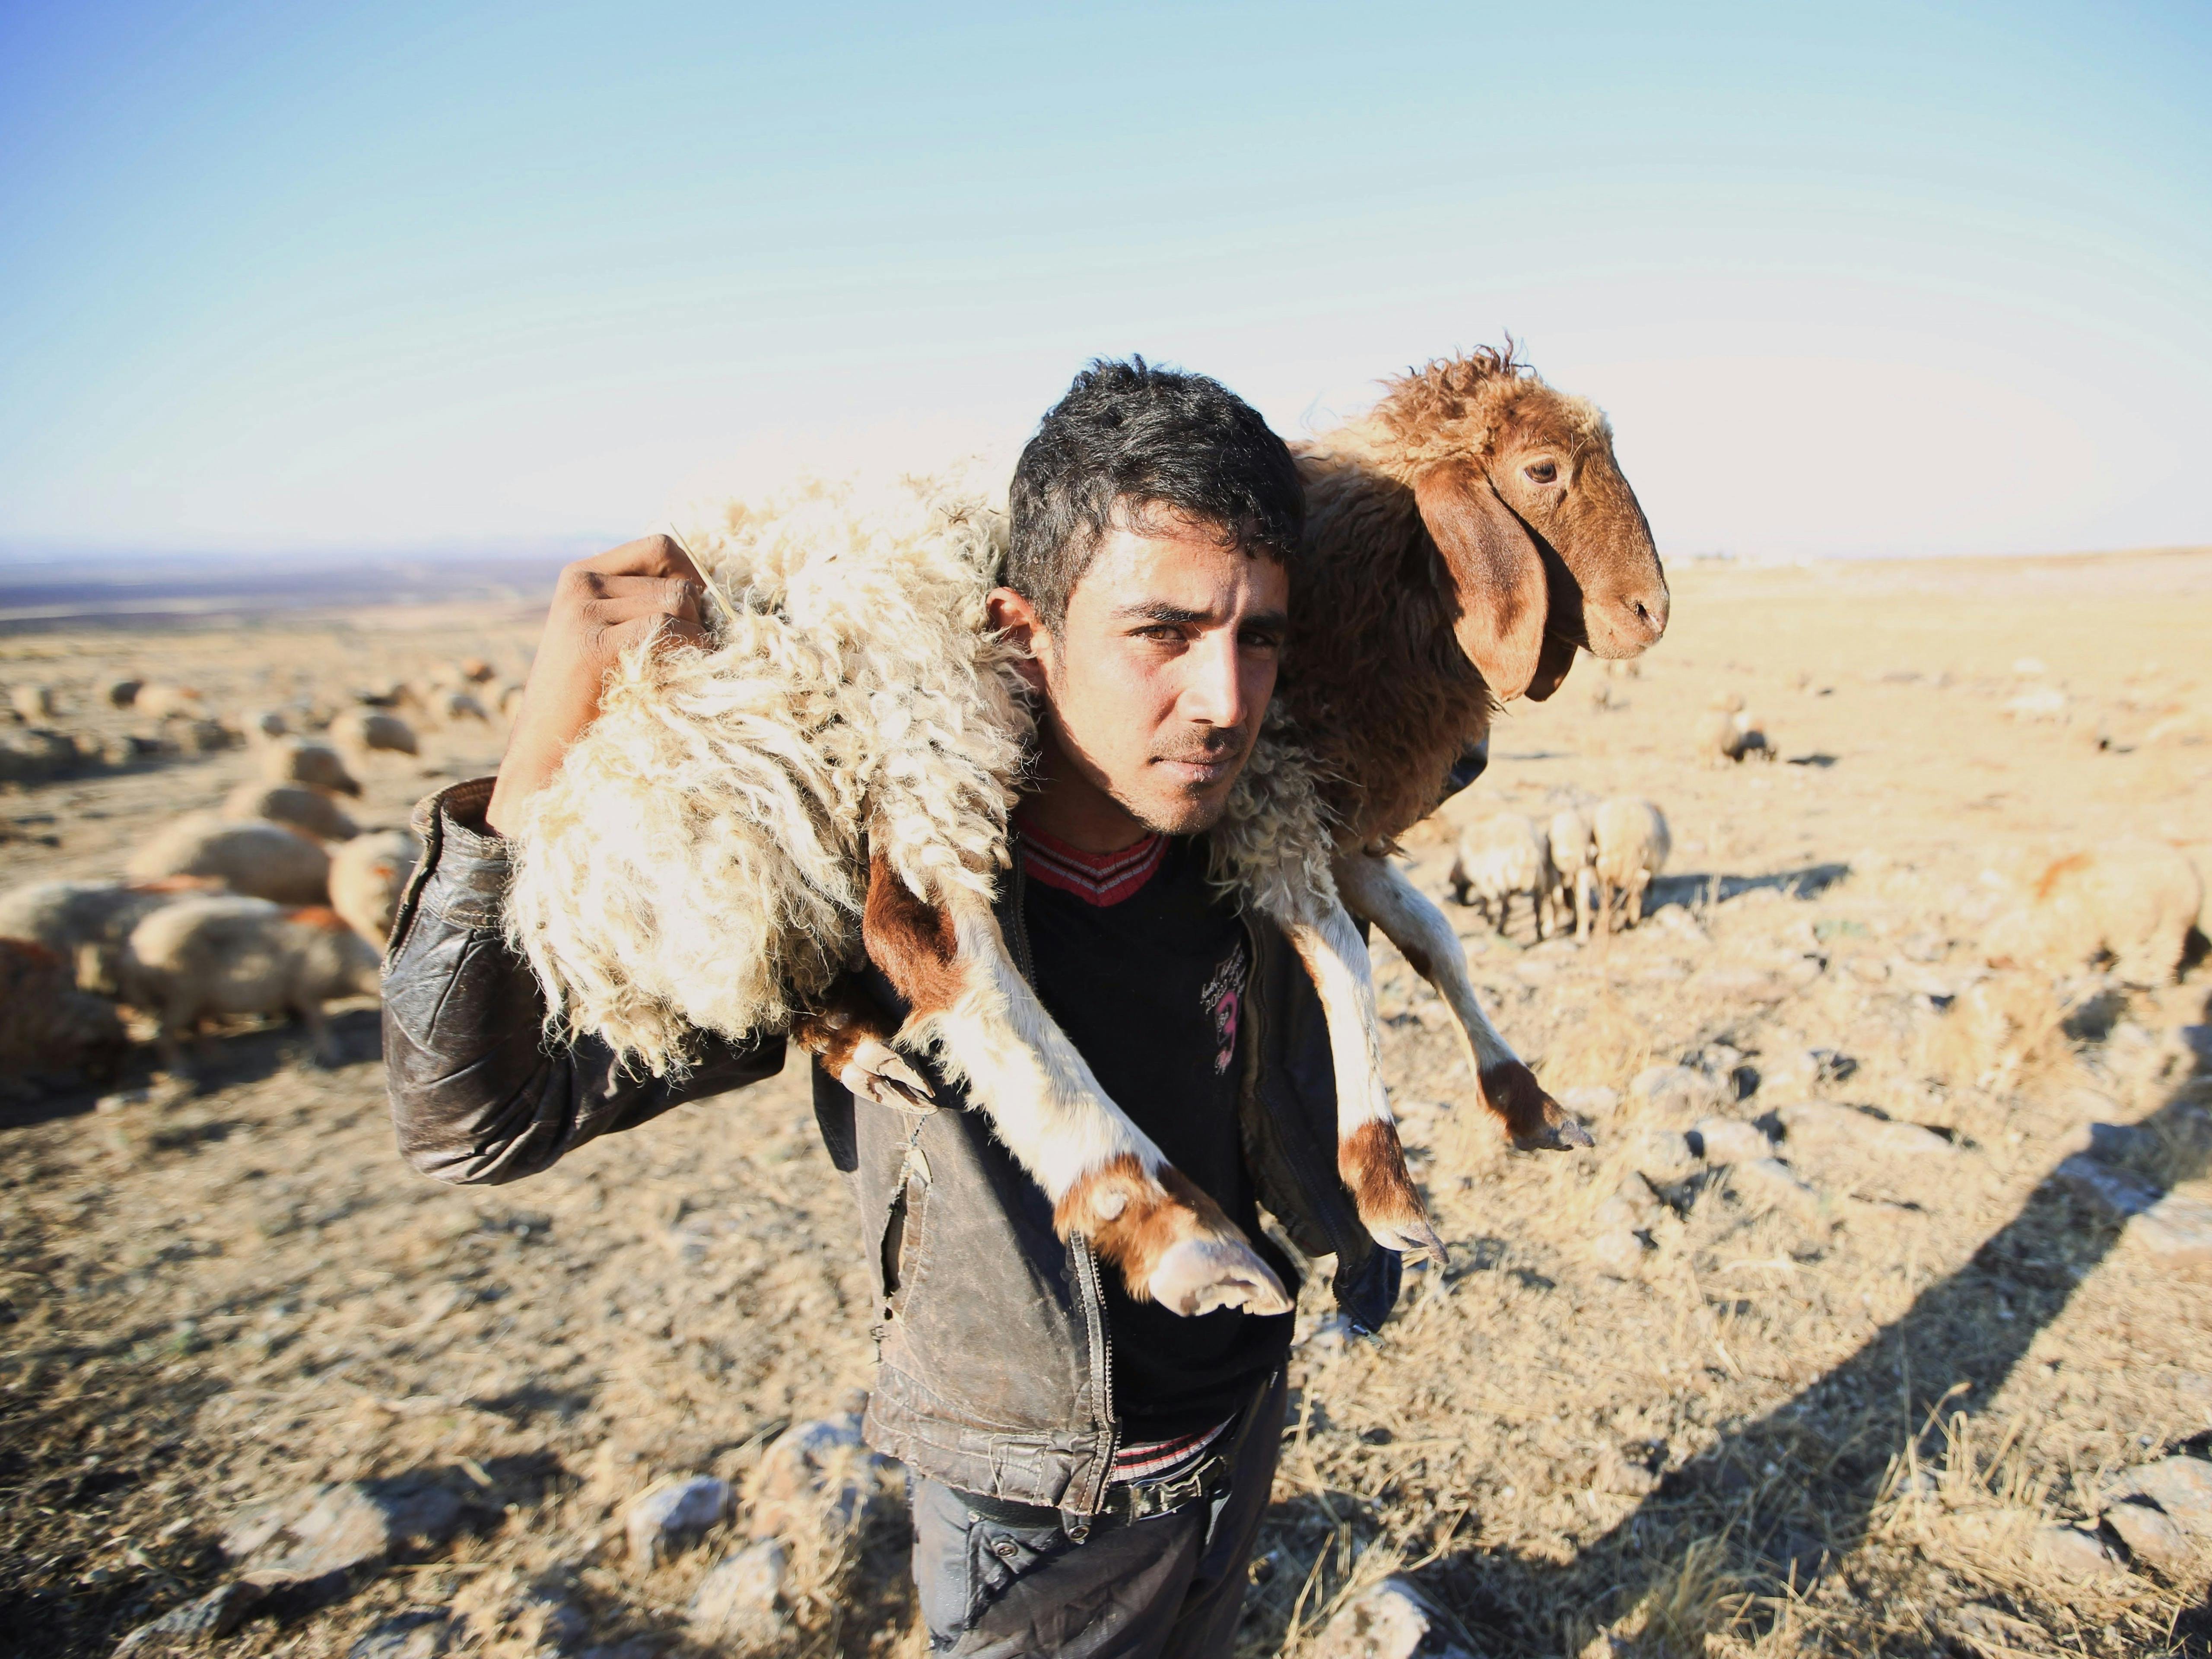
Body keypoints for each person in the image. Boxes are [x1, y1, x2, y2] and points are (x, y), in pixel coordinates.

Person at [382, 360, 1409, 1658]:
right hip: (1035, 1515)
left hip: (1240, 1428)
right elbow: (476, 1122)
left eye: (1257, 634)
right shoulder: (863, 900)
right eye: (1163, 632)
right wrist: (528, 775)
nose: (1223, 699)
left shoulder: (1261, 842)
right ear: (1021, 630)